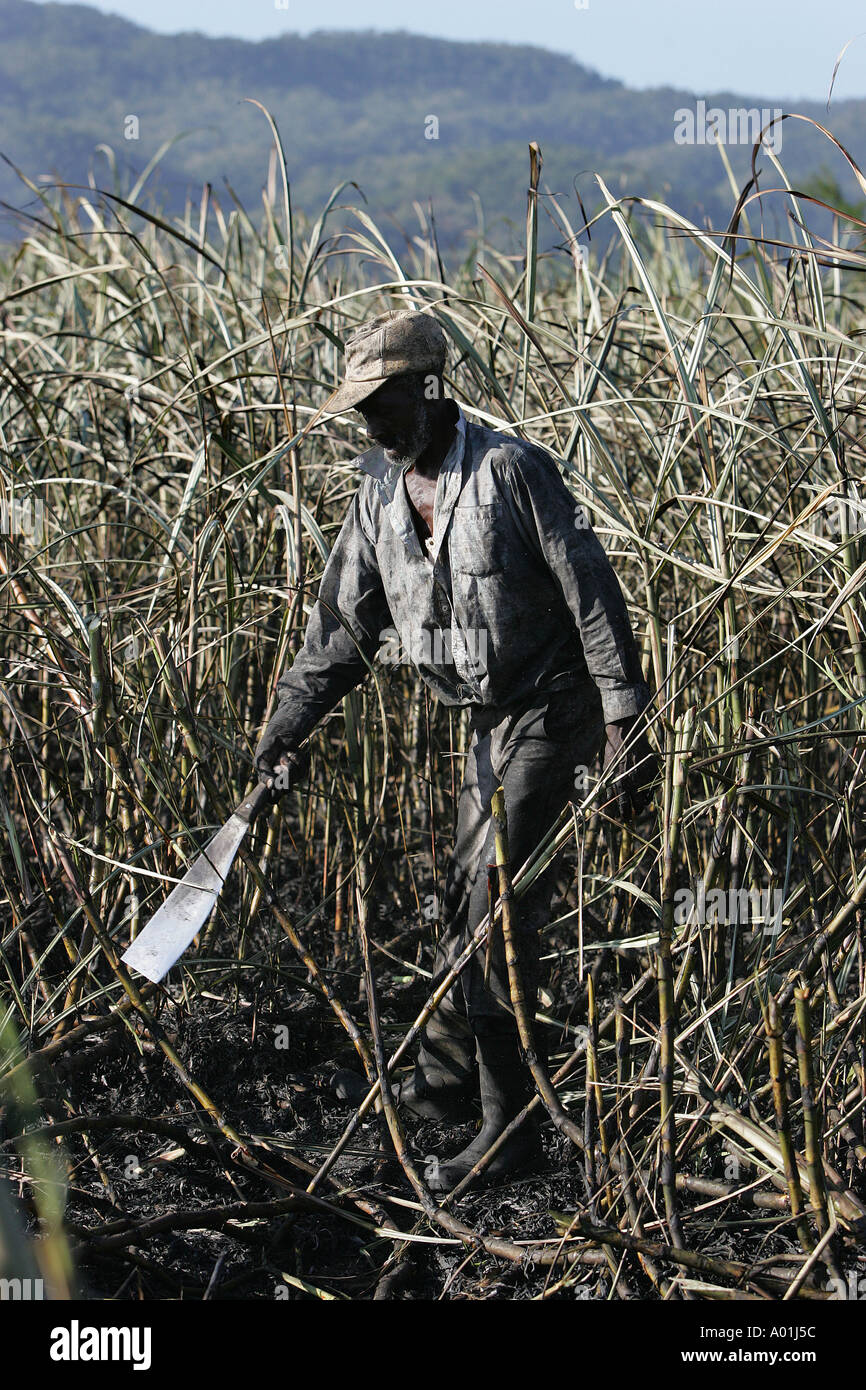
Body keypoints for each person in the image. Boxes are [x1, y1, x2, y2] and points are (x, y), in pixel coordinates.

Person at [255, 308, 656, 1192]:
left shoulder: (512, 470)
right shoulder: (378, 496)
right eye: (362, 410)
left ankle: (510, 1134)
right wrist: (287, 725)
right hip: (482, 722)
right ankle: (445, 1087)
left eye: (386, 404)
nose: (372, 425)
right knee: (460, 902)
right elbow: (340, 631)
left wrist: (629, 723)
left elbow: (593, 592)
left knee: (492, 914)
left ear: (432, 391)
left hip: (556, 710)